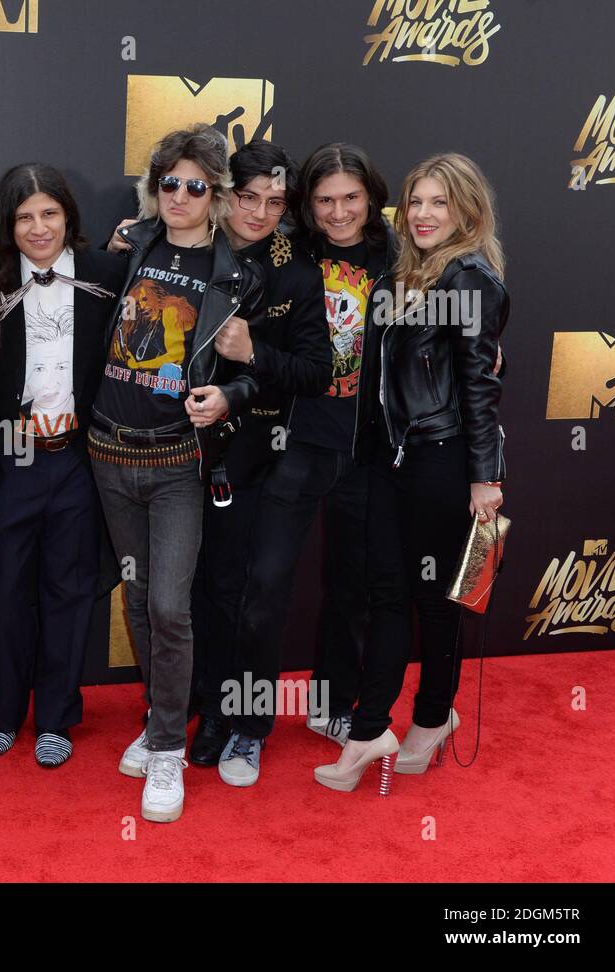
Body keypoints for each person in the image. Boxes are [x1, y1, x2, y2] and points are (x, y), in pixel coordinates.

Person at [315, 153, 508, 793]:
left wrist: (485, 478)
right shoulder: (415, 272)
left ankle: (422, 720)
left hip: (444, 461)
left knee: (431, 600)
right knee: (394, 595)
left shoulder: (469, 281)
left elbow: (480, 388)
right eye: (416, 202)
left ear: (467, 211)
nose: (423, 215)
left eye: (438, 203)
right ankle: (383, 727)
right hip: (396, 460)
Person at [94, 123, 264, 822]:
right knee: (136, 602)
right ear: (154, 189)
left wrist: (233, 390)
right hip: (108, 451)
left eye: (196, 185)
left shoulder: (239, 274)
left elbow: (271, 373)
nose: (181, 196)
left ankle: (167, 748)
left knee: (170, 605)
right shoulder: (130, 247)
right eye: (170, 183)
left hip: (176, 464)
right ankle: (157, 717)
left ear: (217, 195)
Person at [218, 144, 394, 784]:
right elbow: (205, 242)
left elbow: (448, 321)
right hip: (292, 443)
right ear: (306, 205)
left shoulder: (397, 258)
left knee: (354, 587)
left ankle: (332, 705)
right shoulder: (286, 253)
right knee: (263, 589)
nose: (339, 211)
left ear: (370, 197)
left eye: (351, 198)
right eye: (325, 200)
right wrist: (136, 234)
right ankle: (248, 727)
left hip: (370, 447)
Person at [181, 140, 332, 786]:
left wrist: (252, 354)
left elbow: (317, 372)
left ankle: (250, 726)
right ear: (223, 194)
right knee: (208, 592)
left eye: (275, 202)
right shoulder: (189, 244)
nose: (262, 212)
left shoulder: (295, 271)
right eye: (248, 198)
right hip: (182, 453)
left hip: (264, 459)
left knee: (259, 598)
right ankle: (211, 709)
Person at [0, 163, 127, 766]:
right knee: (5, 593)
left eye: (49, 214)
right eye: (24, 217)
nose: (38, 228)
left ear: (69, 217)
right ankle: (7, 713)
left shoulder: (108, 274)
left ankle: (58, 716)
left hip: (80, 460)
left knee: (69, 590)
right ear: (8, 226)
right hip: (11, 461)